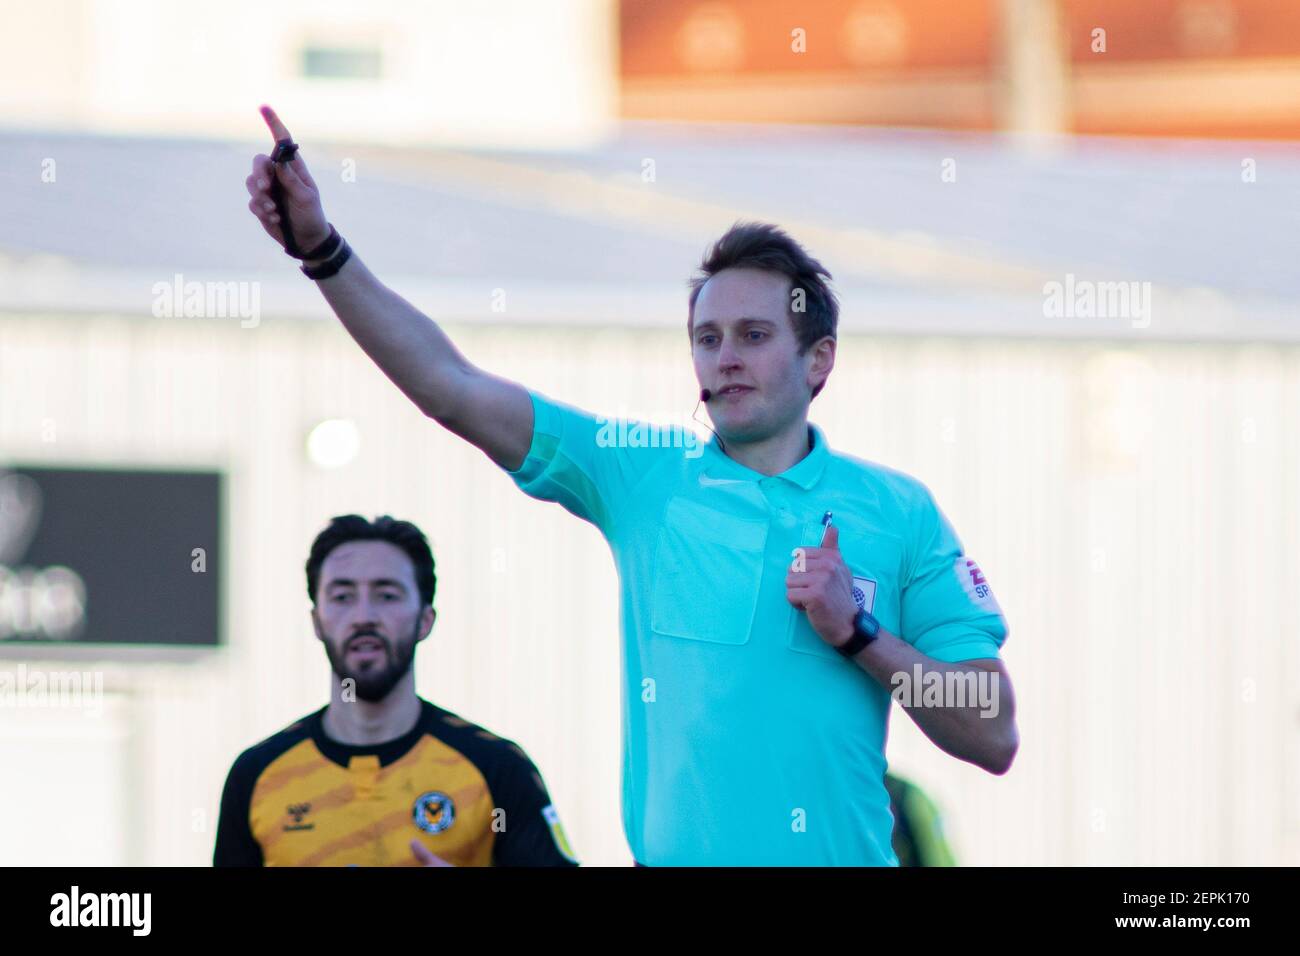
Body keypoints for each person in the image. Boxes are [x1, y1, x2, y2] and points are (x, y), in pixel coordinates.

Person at [242, 105, 1019, 866]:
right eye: (707, 338)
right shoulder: (642, 472)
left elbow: (992, 733)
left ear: (818, 360)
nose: (726, 358)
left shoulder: (900, 510)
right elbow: (452, 386)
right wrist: (322, 252)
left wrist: (859, 634)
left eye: (754, 336)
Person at [214, 514, 578, 867]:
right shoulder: (257, 774)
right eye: (342, 597)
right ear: (316, 621)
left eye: (387, 595)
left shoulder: (498, 768)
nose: (363, 616)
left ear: (425, 620)